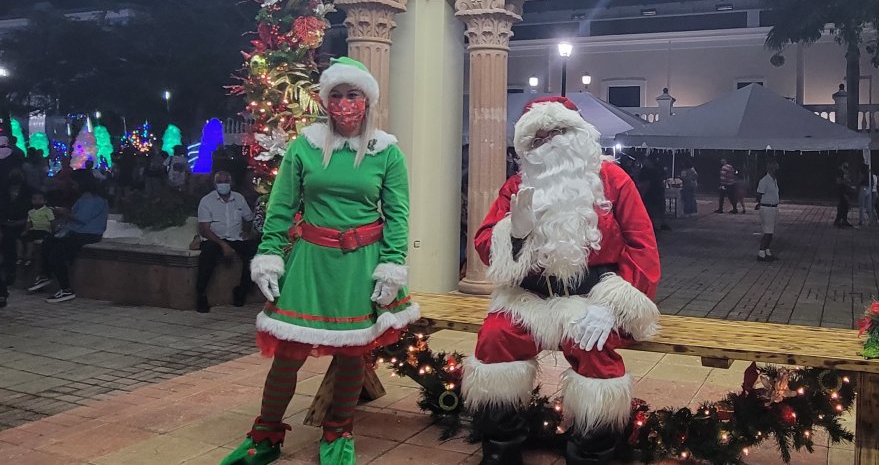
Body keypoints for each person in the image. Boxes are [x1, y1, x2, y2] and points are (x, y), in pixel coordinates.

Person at [221, 58, 419, 465]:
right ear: (325, 100)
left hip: (361, 264)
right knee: (288, 354)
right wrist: (270, 255)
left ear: (368, 99)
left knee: (351, 354)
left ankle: (337, 434)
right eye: (337, 94)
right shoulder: (304, 147)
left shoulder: (387, 153)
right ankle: (265, 436)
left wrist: (392, 264)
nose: (345, 103)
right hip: (311, 262)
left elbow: (398, 215)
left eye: (353, 94)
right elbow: (281, 206)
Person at [464, 96, 660, 465]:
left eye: (559, 132)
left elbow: (642, 244)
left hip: (593, 297)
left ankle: (591, 456)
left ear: (579, 134)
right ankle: (501, 453)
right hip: (528, 297)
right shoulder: (517, 187)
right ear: (527, 147)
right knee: (494, 340)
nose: (550, 142)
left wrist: (615, 304)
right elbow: (485, 244)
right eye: (539, 137)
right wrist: (514, 232)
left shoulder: (613, 180)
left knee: (595, 353)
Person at [28, 173, 109, 303]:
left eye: (75, 183)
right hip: (78, 231)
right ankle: (45, 275)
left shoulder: (91, 199)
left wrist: (65, 213)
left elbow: (82, 218)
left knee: (57, 253)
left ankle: (66, 289)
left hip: (87, 233)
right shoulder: (86, 198)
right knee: (48, 242)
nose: (73, 186)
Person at [195, 171, 257, 313]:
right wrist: (223, 245)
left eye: (226, 181)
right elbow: (205, 229)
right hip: (215, 239)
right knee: (208, 254)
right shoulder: (207, 201)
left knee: (254, 252)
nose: (223, 184)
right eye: (220, 181)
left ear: (231, 183)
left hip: (236, 238)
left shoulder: (239, 198)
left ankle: (242, 291)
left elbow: (248, 218)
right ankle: (201, 294)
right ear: (215, 184)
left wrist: (247, 232)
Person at [0, 170, 30, 285]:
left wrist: (21, 223)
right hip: (3, 224)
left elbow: (32, 213)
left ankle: (10, 273)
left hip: (22, 225)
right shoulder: (3, 191)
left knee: (10, 239)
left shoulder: (29, 192)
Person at [755, 161, 781, 262]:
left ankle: (766, 251)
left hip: (773, 207)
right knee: (768, 232)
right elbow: (759, 194)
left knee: (771, 231)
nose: (777, 169)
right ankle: (761, 253)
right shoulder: (764, 181)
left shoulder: (774, 180)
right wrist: (759, 203)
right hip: (767, 208)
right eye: (776, 167)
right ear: (771, 168)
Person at [22, 191, 53, 269]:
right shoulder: (30, 212)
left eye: (40, 199)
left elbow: (52, 221)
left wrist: (53, 231)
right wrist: (26, 230)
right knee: (28, 236)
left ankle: (38, 259)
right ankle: (29, 256)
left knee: (38, 238)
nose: (37, 201)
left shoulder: (48, 210)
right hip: (34, 229)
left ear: (45, 201)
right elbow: (29, 222)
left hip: (45, 230)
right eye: (34, 199)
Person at [638, 156, 670, 232]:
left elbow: (646, 184)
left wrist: (641, 194)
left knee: (653, 211)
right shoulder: (655, 170)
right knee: (655, 211)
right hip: (656, 194)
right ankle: (655, 227)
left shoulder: (647, 171)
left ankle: (654, 228)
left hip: (652, 194)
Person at [834, 163, 853, 228]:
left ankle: (843, 220)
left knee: (845, 206)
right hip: (841, 191)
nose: (846, 169)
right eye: (845, 167)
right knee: (842, 206)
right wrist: (845, 180)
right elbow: (838, 181)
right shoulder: (840, 172)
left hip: (844, 190)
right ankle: (839, 221)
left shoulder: (843, 173)